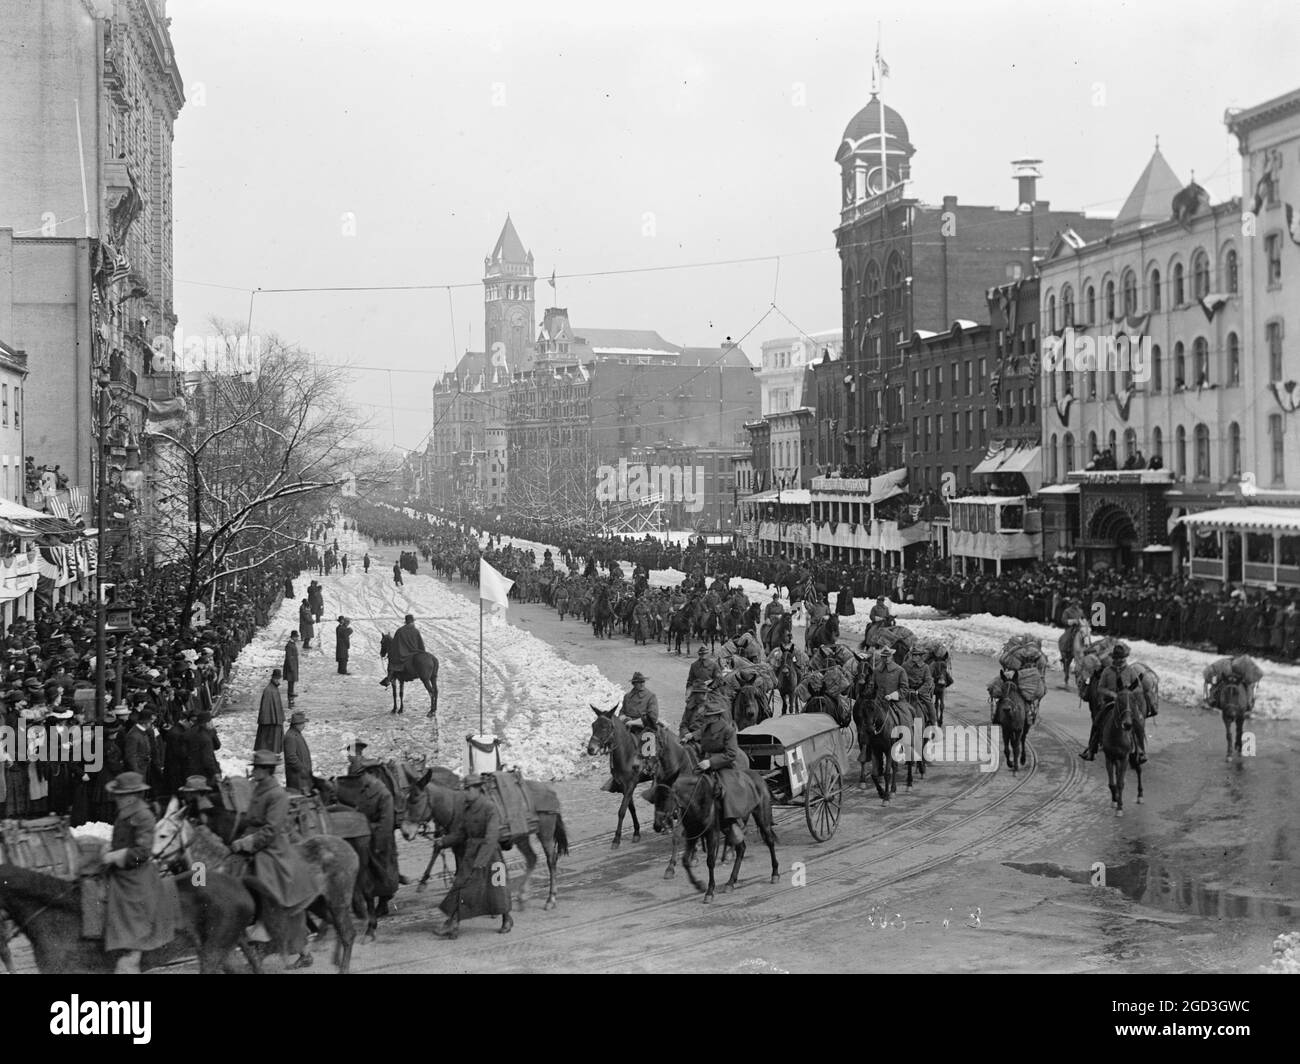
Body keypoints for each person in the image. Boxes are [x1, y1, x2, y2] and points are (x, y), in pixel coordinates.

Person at [229, 750, 319, 966]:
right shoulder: (259, 788)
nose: (254, 771)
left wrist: (247, 842)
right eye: (254, 767)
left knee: (268, 885)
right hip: (254, 842)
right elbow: (250, 819)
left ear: (267, 771)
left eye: (257, 768)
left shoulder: (277, 794)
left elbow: (271, 829)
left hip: (272, 849)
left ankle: (264, 929)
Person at [102, 771, 179, 973]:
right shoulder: (125, 812)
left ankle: (131, 952)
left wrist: (116, 856)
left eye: (119, 794)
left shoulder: (143, 815)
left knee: (128, 907)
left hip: (136, 874)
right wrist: (109, 852)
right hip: (122, 868)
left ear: (131, 795)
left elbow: (143, 852)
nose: (116, 798)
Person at [430, 774, 512, 939]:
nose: (465, 792)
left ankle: (507, 919)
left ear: (477, 789)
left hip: (491, 856)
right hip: (471, 854)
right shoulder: (466, 810)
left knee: (498, 888)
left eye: (468, 789)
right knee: (460, 886)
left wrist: (480, 862)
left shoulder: (489, 808)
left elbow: (491, 838)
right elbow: (461, 834)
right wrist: (444, 841)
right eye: (464, 789)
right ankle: (453, 923)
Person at [333, 747, 398, 916]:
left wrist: (378, 843)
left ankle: (383, 903)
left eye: (360, 776)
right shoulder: (361, 787)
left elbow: (387, 823)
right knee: (366, 871)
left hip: (380, 838)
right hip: (364, 834)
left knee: (384, 871)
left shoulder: (383, 793)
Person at [682, 697, 750, 849]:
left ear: (717, 716)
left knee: (725, 791)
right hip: (706, 764)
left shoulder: (728, 730)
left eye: (709, 716)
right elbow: (702, 732)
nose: (707, 718)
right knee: (691, 785)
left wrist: (711, 762)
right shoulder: (707, 727)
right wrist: (691, 735)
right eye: (706, 716)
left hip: (725, 766)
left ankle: (733, 822)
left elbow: (731, 754)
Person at [1080, 643, 1147, 763]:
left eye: (1122, 658)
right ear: (1113, 658)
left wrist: (1128, 692)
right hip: (1110, 702)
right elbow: (1100, 688)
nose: (1120, 661)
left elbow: (1139, 687)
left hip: (1126, 703)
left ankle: (1141, 750)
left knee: (1138, 722)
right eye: (1117, 658)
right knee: (1097, 721)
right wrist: (1112, 694)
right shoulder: (1107, 671)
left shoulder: (1130, 671)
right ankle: (1091, 749)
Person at [183, 711, 222, 791]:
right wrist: (215, 772)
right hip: (204, 773)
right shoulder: (206, 737)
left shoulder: (188, 732)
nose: (212, 723)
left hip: (190, 770)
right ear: (206, 723)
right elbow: (209, 758)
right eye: (211, 721)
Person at [381, 614, 424, 687]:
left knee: (392, 664)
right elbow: (421, 644)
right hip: (415, 653)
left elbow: (395, 645)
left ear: (406, 622)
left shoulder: (400, 631)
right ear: (412, 622)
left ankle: (388, 679)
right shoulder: (416, 631)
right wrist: (422, 653)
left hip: (403, 654)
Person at [255, 669, 286, 754]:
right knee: (269, 738)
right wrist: (270, 718)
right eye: (277, 678)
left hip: (273, 719)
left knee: (273, 738)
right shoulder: (269, 690)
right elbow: (265, 707)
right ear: (274, 678)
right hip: (270, 721)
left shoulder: (274, 689)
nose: (278, 680)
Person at [283, 712, 313, 795]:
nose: (304, 725)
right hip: (297, 776)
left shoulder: (296, 734)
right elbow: (291, 757)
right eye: (302, 723)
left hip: (302, 775)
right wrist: (302, 769)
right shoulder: (290, 737)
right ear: (296, 724)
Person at [283, 631, 300, 706]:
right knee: (290, 684)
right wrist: (292, 668)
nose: (297, 638)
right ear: (293, 637)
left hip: (292, 666)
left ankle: (291, 697)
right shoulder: (290, 645)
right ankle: (290, 699)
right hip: (291, 668)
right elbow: (289, 658)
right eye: (296, 637)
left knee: (291, 683)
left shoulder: (291, 644)